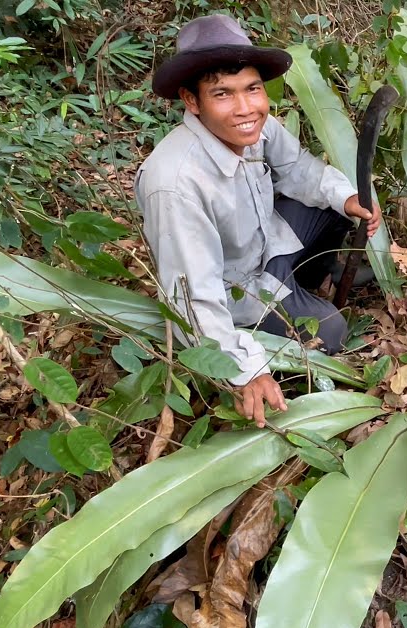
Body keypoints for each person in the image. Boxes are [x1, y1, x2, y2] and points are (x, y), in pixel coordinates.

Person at [136, 15, 380, 428]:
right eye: (223, 94)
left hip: (267, 243)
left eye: (252, 89)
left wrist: (347, 197)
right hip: (238, 287)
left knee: (331, 205)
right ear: (191, 101)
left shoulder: (254, 127)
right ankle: (290, 310)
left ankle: (308, 281)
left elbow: (298, 168)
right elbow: (193, 295)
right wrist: (244, 370)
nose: (246, 108)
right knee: (331, 333)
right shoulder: (175, 184)